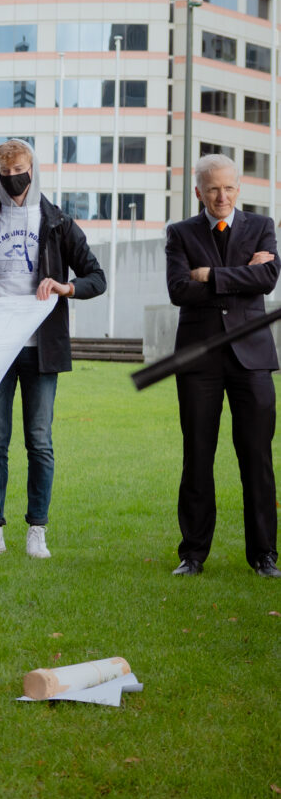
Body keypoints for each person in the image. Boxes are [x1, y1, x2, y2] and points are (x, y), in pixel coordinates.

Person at [0, 138, 105, 561]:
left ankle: (37, 530)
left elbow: (96, 278)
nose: (14, 182)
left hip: (41, 348)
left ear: (34, 170)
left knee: (39, 440)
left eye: (21, 173)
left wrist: (65, 286)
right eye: (6, 175)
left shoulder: (58, 222)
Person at [164, 153, 281, 577]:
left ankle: (264, 555)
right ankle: (192, 554)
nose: (222, 196)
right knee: (197, 455)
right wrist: (238, 276)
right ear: (198, 191)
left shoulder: (262, 227)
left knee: (257, 457)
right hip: (199, 360)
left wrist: (209, 276)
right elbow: (179, 289)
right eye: (213, 188)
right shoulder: (179, 233)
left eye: (229, 187)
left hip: (252, 358)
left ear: (238, 188)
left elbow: (267, 279)